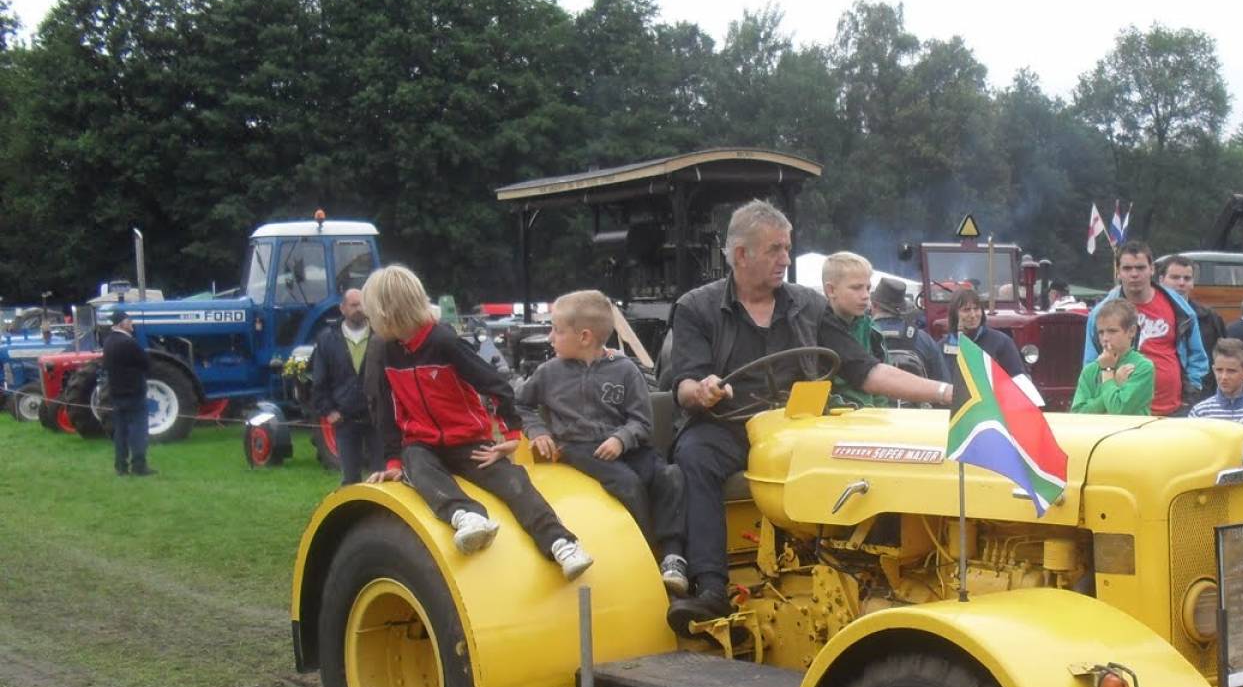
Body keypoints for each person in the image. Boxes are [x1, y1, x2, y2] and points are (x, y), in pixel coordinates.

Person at [668, 199, 954, 632]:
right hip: (728, 427)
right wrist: (702, 390)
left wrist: (944, 392)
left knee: (868, 448)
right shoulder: (697, 307)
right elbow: (684, 384)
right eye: (775, 250)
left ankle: (877, 576)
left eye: (787, 248)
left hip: (799, 427)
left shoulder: (807, 305)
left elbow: (864, 368)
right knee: (694, 453)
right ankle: (710, 586)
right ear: (741, 255)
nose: (785, 259)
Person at [362, 264, 592, 580]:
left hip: (468, 441)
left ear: (386, 313)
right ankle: (467, 515)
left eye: (371, 313)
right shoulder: (387, 353)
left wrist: (510, 433)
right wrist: (391, 459)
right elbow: (387, 412)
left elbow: (495, 383)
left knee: (514, 483)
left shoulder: (443, 342)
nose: (370, 321)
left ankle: (561, 543)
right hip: (424, 444)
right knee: (413, 459)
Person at [515, 288, 688, 595]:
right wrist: (538, 431)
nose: (551, 338)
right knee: (627, 484)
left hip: (626, 446)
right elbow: (521, 405)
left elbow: (641, 421)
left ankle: (674, 556)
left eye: (556, 331)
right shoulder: (548, 373)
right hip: (579, 448)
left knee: (669, 476)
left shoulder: (625, 370)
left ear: (584, 336)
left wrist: (622, 439)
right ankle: (648, 556)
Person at [1082, 239, 1206, 417]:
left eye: (1140, 268)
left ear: (1152, 269)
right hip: (1124, 411)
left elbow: (1197, 355)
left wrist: (1192, 389)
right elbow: (1090, 364)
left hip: (1174, 410)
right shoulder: (1100, 314)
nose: (1134, 274)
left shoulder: (1179, 308)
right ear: (1118, 272)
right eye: (1127, 268)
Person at [309, 286, 374, 487]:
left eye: (362, 304)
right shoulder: (327, 339)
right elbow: (320, 379)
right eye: (354, 305)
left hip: (376, 418)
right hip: (345, 420)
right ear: (342, 308)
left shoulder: (380, 335)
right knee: (350, 480)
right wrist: (328, 410)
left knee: (384, 475)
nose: (359, 308)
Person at [820, 252, 889, 409]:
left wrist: (881, 415)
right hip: (830, 424)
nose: (865, 295)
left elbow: (884, 391)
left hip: (872, 423)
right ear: (831, 290)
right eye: (856, 288)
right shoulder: (812, 329)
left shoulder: (873, 332)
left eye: (868, 288)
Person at [1070, 298, 1155, 415]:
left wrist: (1107, 372)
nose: (1105, 338)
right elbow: (1077, 415)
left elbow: (1119, 410)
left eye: (1112, 331)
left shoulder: (1143, 367)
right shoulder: (1090, 370)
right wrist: (1113, 381)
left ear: (1131, 331)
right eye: (1101, 332)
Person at [1158, 254, 1224, 391]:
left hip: (1201, 393)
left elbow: (1222, 356)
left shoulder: (1210, 317)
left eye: (1187, 278)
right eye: (1175, 277)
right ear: (1161, 280)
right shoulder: (1150, 315)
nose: (1181, 283)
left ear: (1193, 283)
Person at [943, 285, 1028, 389]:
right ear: (955, 314)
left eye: (976, 309)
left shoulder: (1001, 343)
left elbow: (1019, 381)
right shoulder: (943, 347)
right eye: (966, 310)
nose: (973, 315)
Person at [100, 307, 152, 477]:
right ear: (122, 323)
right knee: (138, 430)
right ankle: (139, 465)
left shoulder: (108, 342)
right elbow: (145, 363)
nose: (132, 324)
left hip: (116, 393)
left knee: (120, 431)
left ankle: (120, 466)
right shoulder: (129, 343)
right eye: (129, 321)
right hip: (134, 392)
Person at [870, 276, 946, 384]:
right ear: (902, 309)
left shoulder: (862, 335)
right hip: (916, 399)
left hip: (873, 400)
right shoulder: (924, 339)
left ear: (874, 305)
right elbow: (942, 382)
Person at [1188, 338, 1243, 428]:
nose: (1224, 377)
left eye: (1231, 371)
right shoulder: (1199, 412)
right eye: (1219, 370)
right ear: (1213, 370)